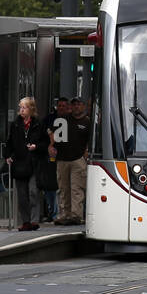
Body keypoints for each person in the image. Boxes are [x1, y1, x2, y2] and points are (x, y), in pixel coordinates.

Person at [5, 97, 49, 232]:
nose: (21, 110)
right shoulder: (15, 124)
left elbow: (46, 142)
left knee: (33, 191)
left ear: (31, 109)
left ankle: (34, 220)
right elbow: (10, 142)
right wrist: (8, 156)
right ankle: (26, 221)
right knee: (22, 194)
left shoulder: (38, 124)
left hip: (34, 162)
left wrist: (36, 146)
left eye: (24, 107)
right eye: (20, 107)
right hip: (19, 162)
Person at [54, 97, 92, 226]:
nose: (76, 107)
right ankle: (65, 214)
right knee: (63, 188)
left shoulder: (87, 122)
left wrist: (86, 153)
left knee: (77, 189)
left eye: (79, 104)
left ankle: (76, 215)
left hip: (78, 159)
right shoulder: (64, 120)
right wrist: (52, 147)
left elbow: (90, 141)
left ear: (83, 106)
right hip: (62, 158)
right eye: (74, 104)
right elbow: (55, 137)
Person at [42, 97, 70, 223]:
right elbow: (43, 131)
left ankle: (62, 212)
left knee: (64, 185)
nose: (61, 108)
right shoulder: (49, 119)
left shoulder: (71, 119)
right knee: (50, 184)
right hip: (51, 156)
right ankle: (51, 211)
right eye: (59, 105)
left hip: (66, 156)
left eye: (64, 105)